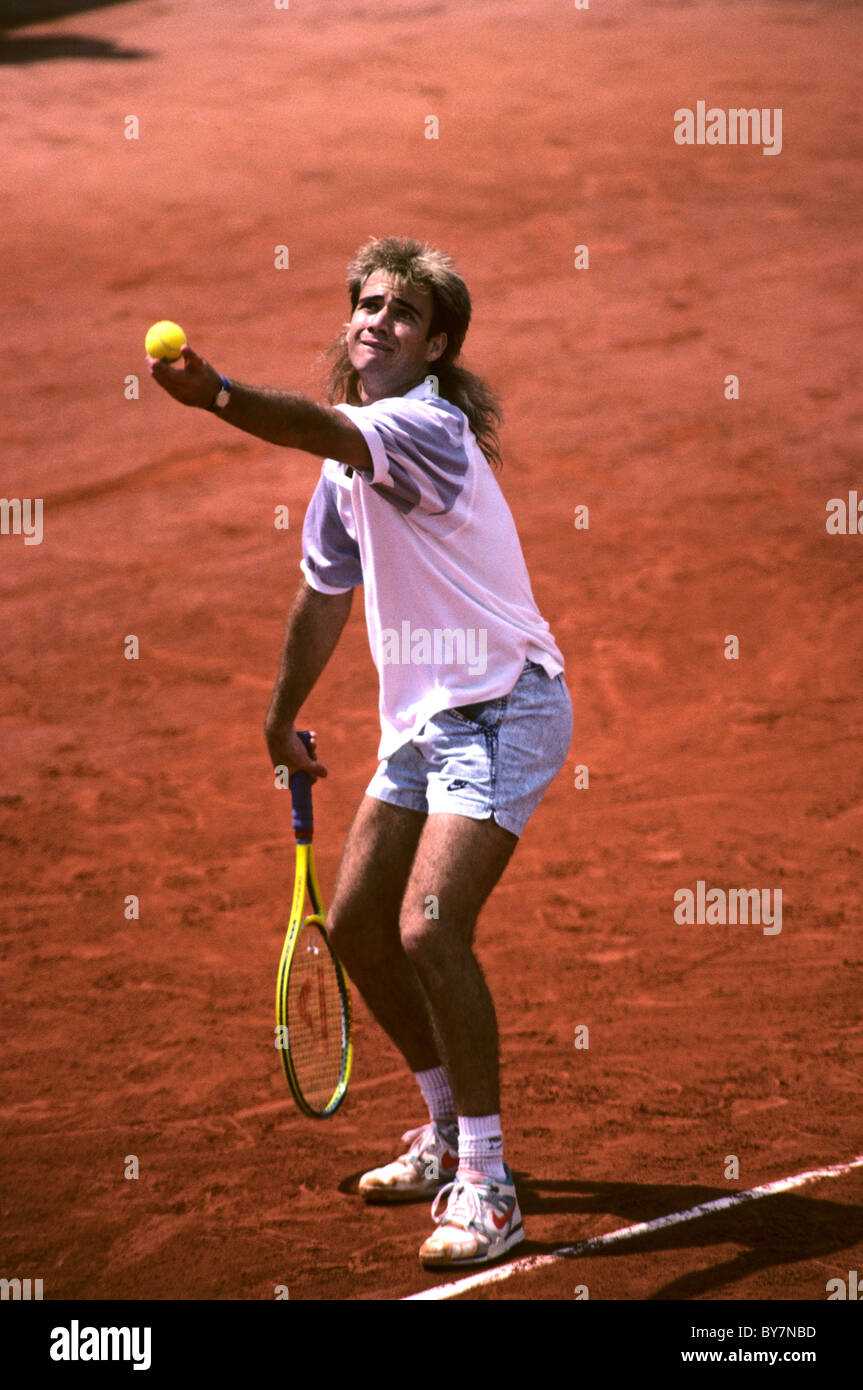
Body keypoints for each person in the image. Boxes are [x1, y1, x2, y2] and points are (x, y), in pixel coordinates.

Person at [148, 236, 572, 1268]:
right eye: (365, 304)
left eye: (400, 312)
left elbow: (301, 421)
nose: (374, 319)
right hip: (424, 723)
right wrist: (279, 713)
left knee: (430, 929)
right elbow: (324, 591)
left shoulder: (419, 428)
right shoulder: (348, 468)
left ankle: (489, 1179)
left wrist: (216, 395)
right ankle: (439, 1130)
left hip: (504, 708)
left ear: (434, 349)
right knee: (355, 927)